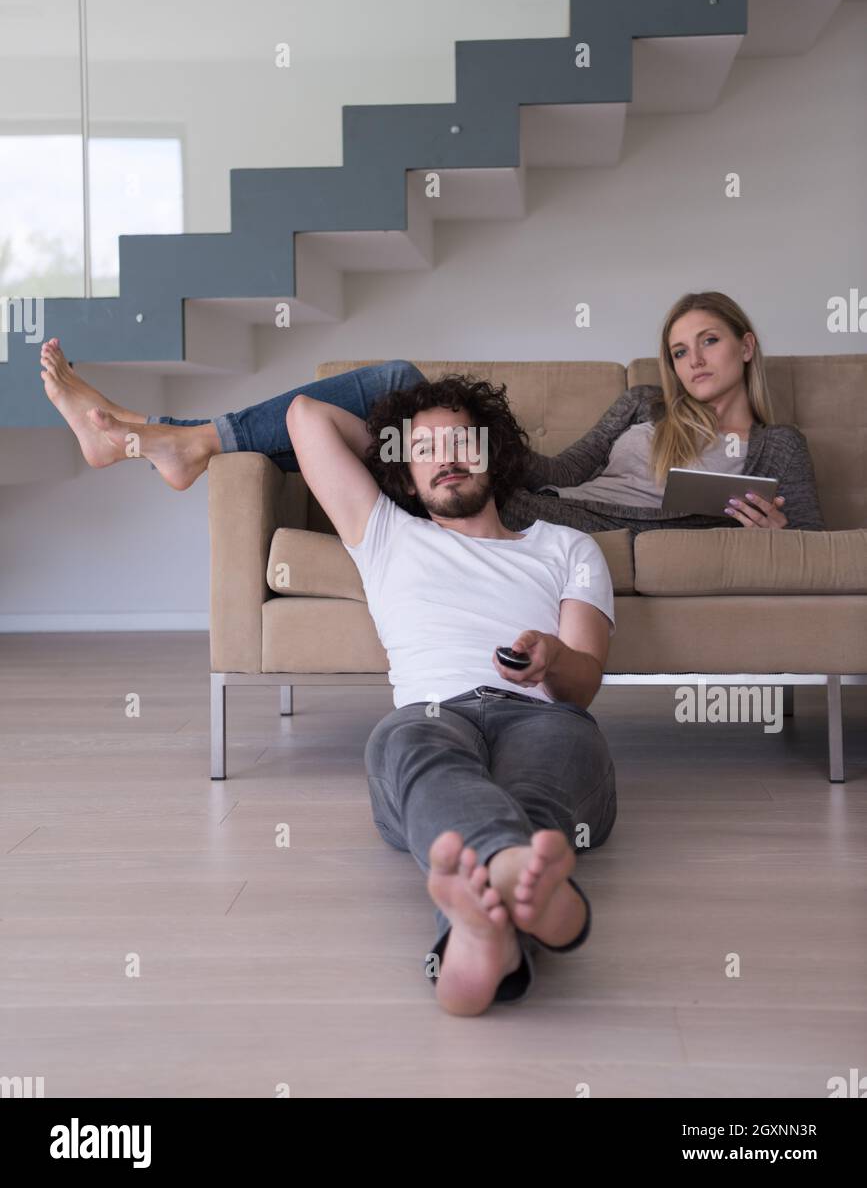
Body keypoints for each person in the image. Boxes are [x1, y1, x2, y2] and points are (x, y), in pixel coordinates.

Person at [285, 371, 617, 1014]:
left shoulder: (567, 548)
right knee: (409, 742)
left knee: (553, 756)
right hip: (431, 717)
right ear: (403, 473)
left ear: (495, 455)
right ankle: (532, 899)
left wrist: (551, 660)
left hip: (541, 715)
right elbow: (304, 416)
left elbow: (585, 687)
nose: (448, 459)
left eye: (465, 443)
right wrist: (397, 443)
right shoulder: (384, 533)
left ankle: (478, 935)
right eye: (427, 450)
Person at [38, 289, 824, 532]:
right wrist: (492, 447)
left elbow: (817, 543)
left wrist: (776, 537)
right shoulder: (642, 403)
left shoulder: (776, 446)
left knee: (371, 398)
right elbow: (565, 472)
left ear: (747, 347)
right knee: (393, 382)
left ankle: (167, 439)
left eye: (709, 342)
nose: (692, 362)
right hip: (520, 494)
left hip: (566, 529)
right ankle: (176, 441)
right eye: (680, 349)